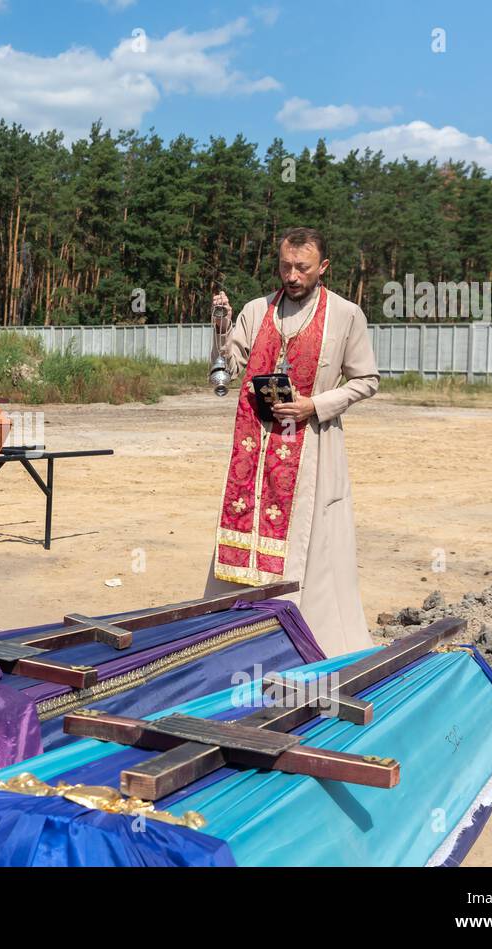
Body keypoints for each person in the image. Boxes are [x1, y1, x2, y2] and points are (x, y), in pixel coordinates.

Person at [205, 227, 380, 656]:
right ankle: (233, 636)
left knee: (309, 544)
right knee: (246, 533)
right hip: (256, 448)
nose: (293, 275)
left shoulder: (345, 315)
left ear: (323, 267)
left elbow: (367, 380)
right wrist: (220, 328)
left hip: (312, 446)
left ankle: (304, 641)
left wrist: (315, 405)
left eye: (302, 268)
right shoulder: (256, 309)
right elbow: (230, 363)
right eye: (285, 266)